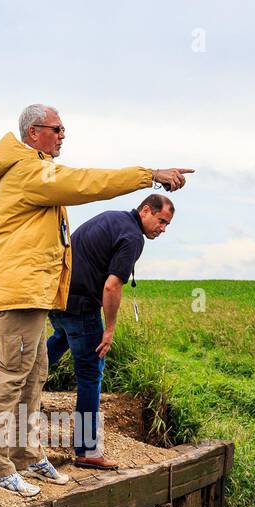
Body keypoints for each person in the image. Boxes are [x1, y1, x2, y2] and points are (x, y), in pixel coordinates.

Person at [0, 103, 192, 497]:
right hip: (22, 289)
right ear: (34, 132)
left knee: (35, 373)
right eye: (57, 129)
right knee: (12, 376)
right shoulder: (30, 170)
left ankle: (26, 454)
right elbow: (87, 182)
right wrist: (149, 175)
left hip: (38, 292)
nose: (62, 136)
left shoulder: (33, 169)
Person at [47, 194, 175, 469]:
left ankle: (19, 382)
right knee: (91, 373)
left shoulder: (111, 219)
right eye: (161, 221)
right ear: (145, 211)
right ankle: (87, 451)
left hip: (57, 296)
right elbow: (112, 286)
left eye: (166, 225)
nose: (162, 229)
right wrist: (110, 329)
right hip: (81, 304)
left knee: (61, 339)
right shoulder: (132, 237)